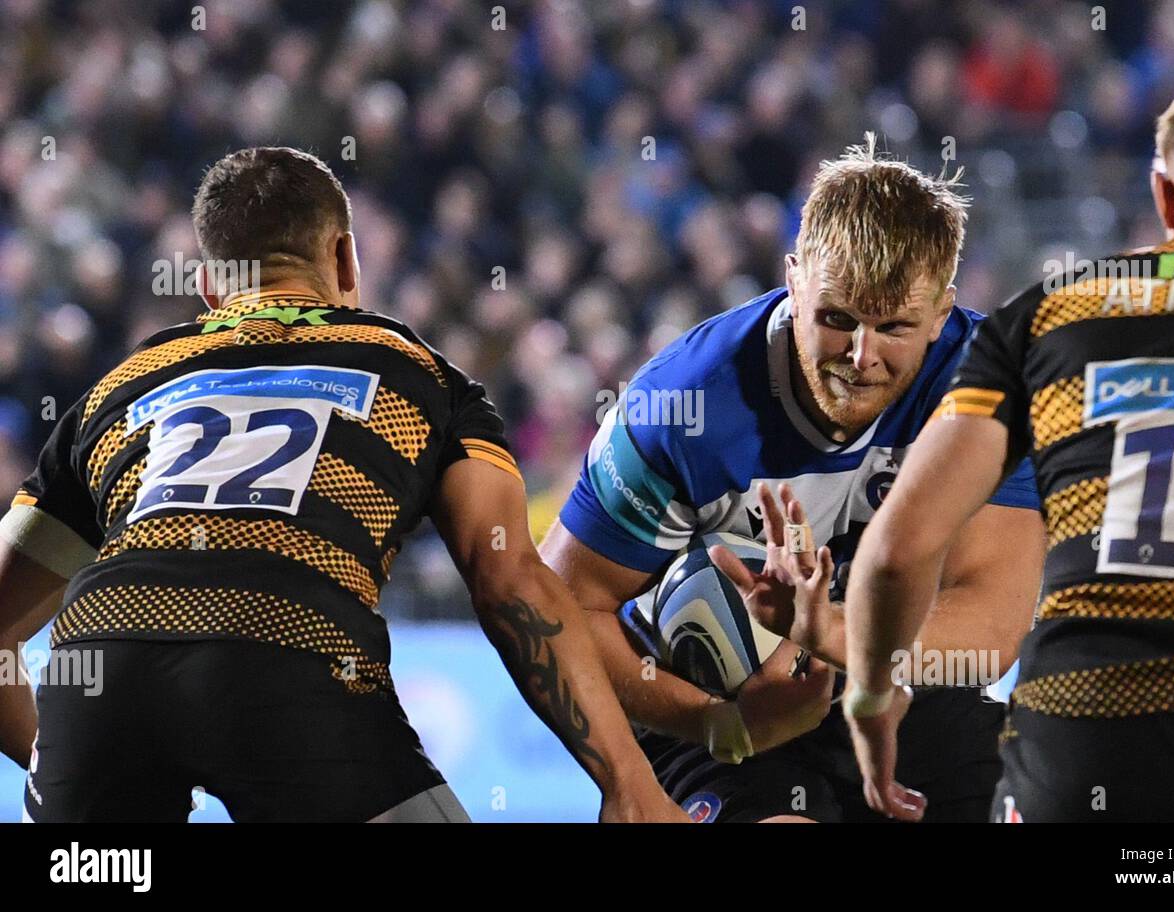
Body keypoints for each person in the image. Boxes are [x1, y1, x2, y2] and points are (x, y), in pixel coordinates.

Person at [0, 146, 686, 823]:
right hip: (290, 642)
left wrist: (74, 769)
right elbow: (508, 578)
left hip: (102, 651)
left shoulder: (117, 390)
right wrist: (628, 783)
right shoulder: (417, 373)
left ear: (211, 290)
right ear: (346, 260)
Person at [843, 50, 1174, 822]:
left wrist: (871, 697)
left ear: (1164, 192)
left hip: (1078, 757)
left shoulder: (1051, 314)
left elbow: (897, 551)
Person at [540, 137, 1045, 823]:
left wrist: (822, 631)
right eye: (837, 319)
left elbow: (989, 631)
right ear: (794, 278)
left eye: (894, 326)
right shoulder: (683, 405)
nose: (861, 358)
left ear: (942, 311)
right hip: (715, 701)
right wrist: (718, 725)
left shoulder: (988, 387)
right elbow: (561, 610)